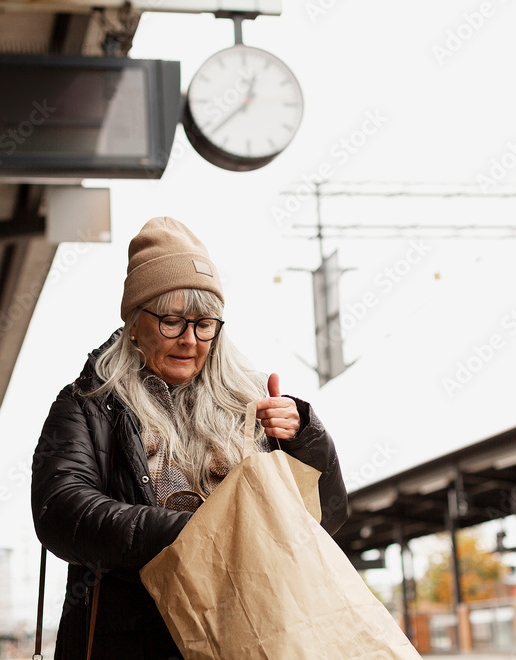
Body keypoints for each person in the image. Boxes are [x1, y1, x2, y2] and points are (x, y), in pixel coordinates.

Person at [31, 217, 348, 659]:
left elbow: (323, 521)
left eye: (205, 324)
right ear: (135, 322)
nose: (190, 341)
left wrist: (305, 439)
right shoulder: (87, 403)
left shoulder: (250, 401)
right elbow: (61, 512)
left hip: (247, 639)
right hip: (131, 643)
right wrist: (198, 534)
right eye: (172, 322)